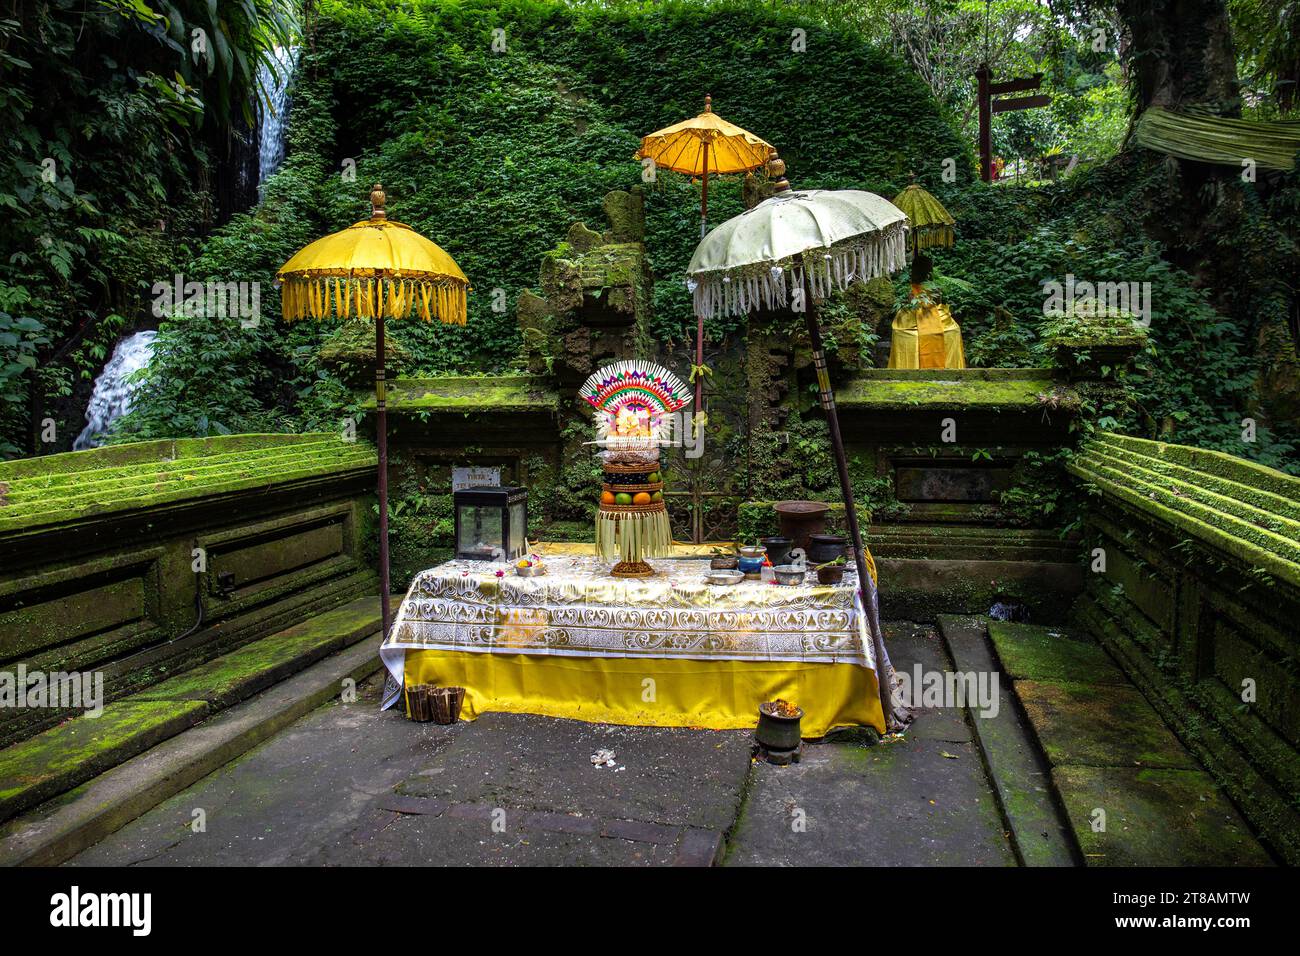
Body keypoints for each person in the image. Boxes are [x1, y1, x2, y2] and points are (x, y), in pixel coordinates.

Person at [887, 254, 966, 369]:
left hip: (917, 315)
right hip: (929, 313)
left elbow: (912, 302)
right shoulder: (933, 287)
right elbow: (937, 301)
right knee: (953, 329)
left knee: (903, 331)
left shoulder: (913, 288)